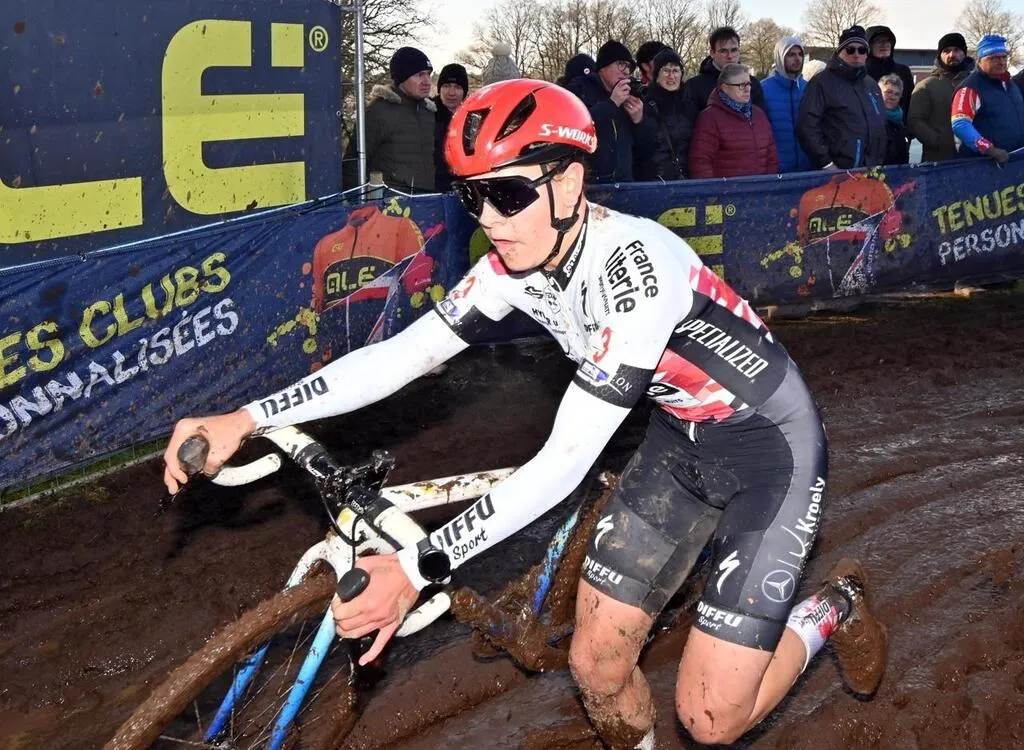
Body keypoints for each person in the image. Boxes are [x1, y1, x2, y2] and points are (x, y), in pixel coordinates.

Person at [162, 79, 887, 750]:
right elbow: (400, 358)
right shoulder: (513, 263)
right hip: (678, 438)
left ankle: (833, 610)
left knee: (709, 719)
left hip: (769, 449)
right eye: (471, 198)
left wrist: (416, 568)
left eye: (507, 195)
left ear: (568, 182)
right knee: (598, 666)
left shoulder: (637, 270)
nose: (488, 220)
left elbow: (562, 465)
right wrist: (247, 417)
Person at [341, 46, 436, 193]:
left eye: (429, 74)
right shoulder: (378, 111)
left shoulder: (429, 113)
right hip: (390, 205)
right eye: (419, 75)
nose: (427, 81)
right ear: (402, 77)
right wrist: (360, 204)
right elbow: (353, 163)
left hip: (428, 202)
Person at [797, 26, 887, 170]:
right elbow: (807, 126)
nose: (856, 54)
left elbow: (881, 124)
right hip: (837, 173)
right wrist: (826, 163)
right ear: (840, 52)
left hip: (870, 171)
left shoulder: (871, 85)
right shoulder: (822, 82)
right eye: (850, 50)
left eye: (861, 50)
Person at [567, 40, 658, 183]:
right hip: (590, 186)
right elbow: (575, 130)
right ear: (603, 67)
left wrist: (640, 121)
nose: (626, 71)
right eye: (621, 64)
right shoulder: (579, 90)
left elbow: (648, 150)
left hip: (625, 185)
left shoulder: (633, 94)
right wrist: (611, 103)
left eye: (629, 67)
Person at [689, 64, 780, 178]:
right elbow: (700, 161)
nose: (747, 89)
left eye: (748, 84)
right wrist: (713, 193)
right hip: (727, 193)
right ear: (725, 87)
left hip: (761, 190)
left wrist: (769, 184)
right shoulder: (710, 118)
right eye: (741, 85)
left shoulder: (759, 114)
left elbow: (771, 155)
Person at [951, 34, 1024, 164]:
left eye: (1003, 57)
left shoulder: (1009, 84)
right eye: (994, 58)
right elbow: (960, 125)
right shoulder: (970, 87)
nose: (1001, 62)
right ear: (980, 60)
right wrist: (990, 149)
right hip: (984, 165)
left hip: (1014, 162)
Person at [908, 33, 975, 163]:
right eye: (946, 51)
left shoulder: (976, 84)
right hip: (937, 161)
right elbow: (915, 120)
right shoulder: (926, 86)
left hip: (974, 159)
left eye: (956, 50)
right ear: (940, 54)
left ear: (964, 53)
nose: (952, 55)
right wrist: (938, 141)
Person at [682, 26, 767, 125]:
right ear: (712, 53)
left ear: (739, 51)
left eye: (734, 50)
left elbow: (761, 124)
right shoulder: (694, 86)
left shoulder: (753, 84)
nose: (730, 56)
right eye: (723, 51)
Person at [634, 48, 691, 180]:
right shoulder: (644, 105)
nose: (671, 76)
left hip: (686, 181)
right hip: (655, 182)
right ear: (656, 75)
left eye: (676, 70)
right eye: (666, 70)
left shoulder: (690, 104)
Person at [761, 35, 812, 172]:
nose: (797, 59)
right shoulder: (763, 89)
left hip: (807, 169)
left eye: (800, 54)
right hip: (776, 170)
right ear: (780, 57)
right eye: (791, 54)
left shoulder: (809, 89)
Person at [865, 26, 915, 122]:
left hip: (898, 130)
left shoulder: (903, 71)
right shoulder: (861, 73)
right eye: (879, 41)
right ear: (869, 45)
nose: (884, 44)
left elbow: (910, 105)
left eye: (888, 41)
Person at [433, 63, 469, 192]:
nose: (451, 92)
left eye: (457, 87)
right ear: (439, 88)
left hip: (465, 187)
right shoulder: (426, 114)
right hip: (434, 188)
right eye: (446, 86)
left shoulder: (472, 117)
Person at [879, 74, 910, 165]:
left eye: (897, 94)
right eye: (888, 92)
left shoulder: (900, 124)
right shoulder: (871, 120)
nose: (892, 97)